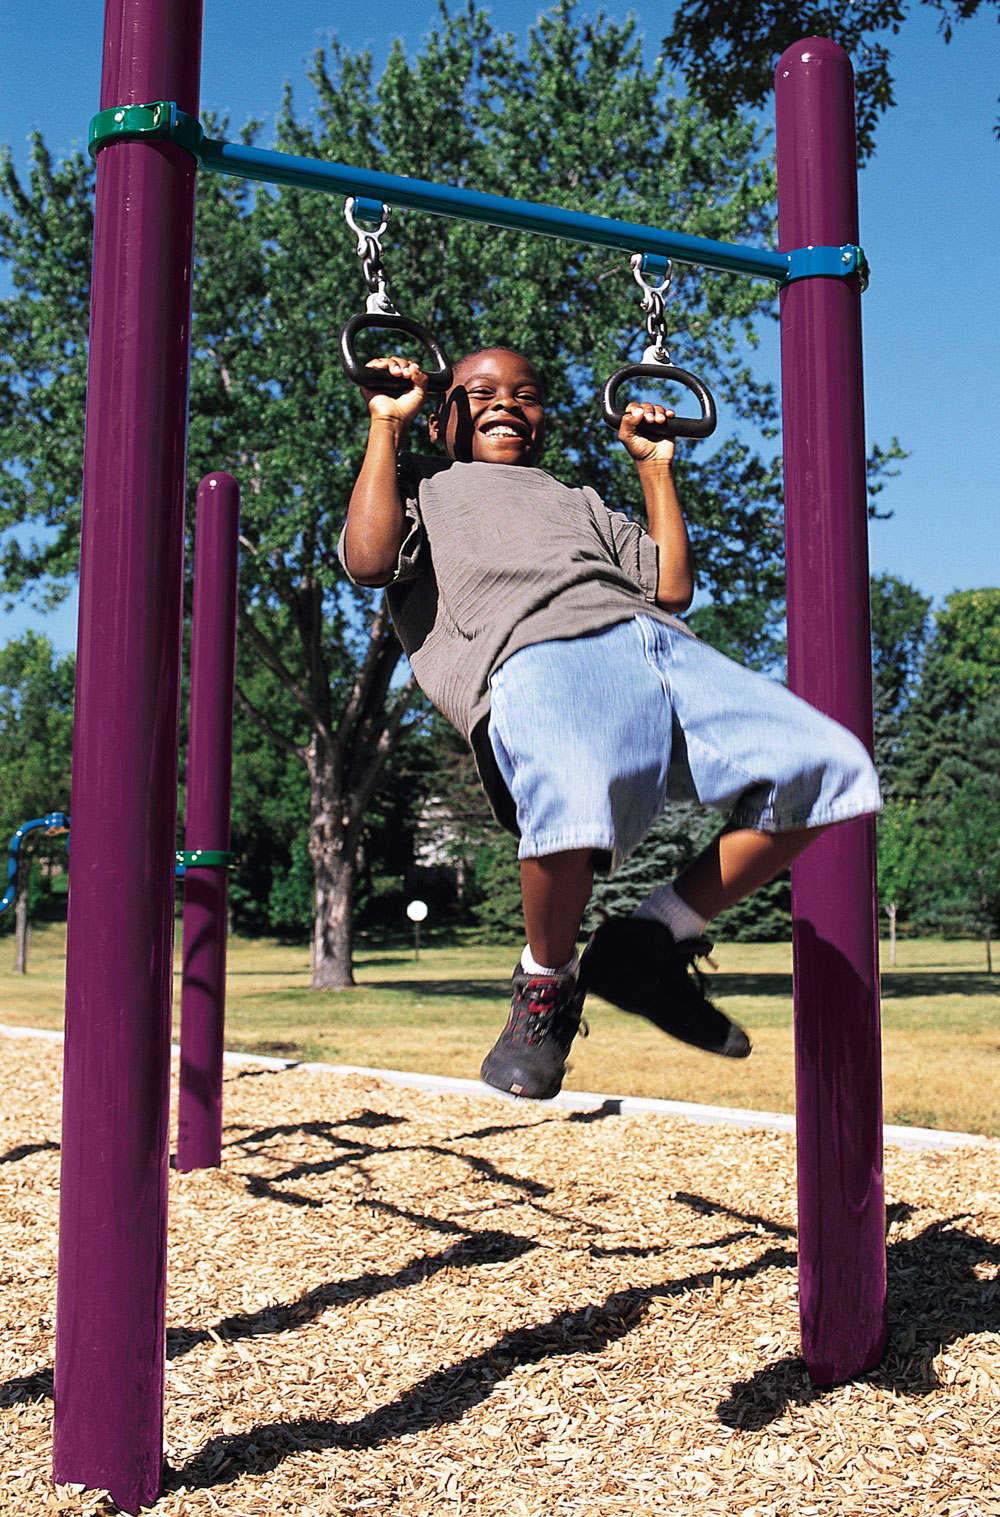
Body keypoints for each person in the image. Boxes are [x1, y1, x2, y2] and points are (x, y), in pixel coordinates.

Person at [341, 346, 881, 1100]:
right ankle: (546, 985)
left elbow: (669, 585)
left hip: (656, 647)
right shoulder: (424, 489)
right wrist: (384, 425)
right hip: (533, 649)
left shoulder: (580, 499)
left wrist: (654, 466)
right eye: (483, 391)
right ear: (442, 417)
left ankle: (650, 937)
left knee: (829, 769)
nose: (506, 402)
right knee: (571, 809)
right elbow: (367, 561)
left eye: (526, 393)